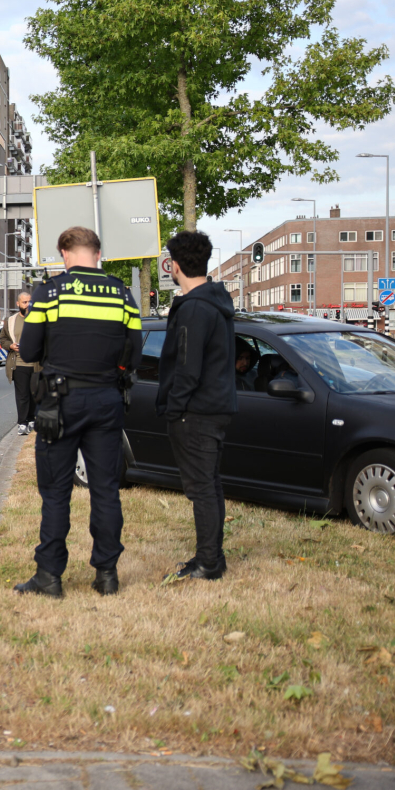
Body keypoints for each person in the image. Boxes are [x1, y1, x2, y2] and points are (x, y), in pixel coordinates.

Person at [15, 226, 142, 598]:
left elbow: (31, 351)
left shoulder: (49, 292)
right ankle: (107, 575)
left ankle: (49, 577)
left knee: (56, 492)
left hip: (60, 403)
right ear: (98, 254)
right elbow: (134, 354)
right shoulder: (122, 293)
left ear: (65, 253)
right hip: (106, 400)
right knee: (106, 490)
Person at [156, 230, 238, 581]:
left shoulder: (194, 308)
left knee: (201, 488)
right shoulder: (217, 302)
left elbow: (187, 366)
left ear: (173, 266)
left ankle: (208, 563)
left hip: (196, 412)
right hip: (216, 407)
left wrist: (175, 408)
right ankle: (211, 557)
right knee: (210, 484)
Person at [0, 291, 40, 435]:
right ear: (18, 304)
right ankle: (22, 423)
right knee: (22, 394)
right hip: (19, 363)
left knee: (34, 394)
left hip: (36, 364)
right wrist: (10, 346)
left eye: (30, 301)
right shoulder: (10, 321)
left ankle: (31, 419)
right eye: (24, 302)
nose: (28, 305)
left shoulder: (39, 319)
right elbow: (2, 339)